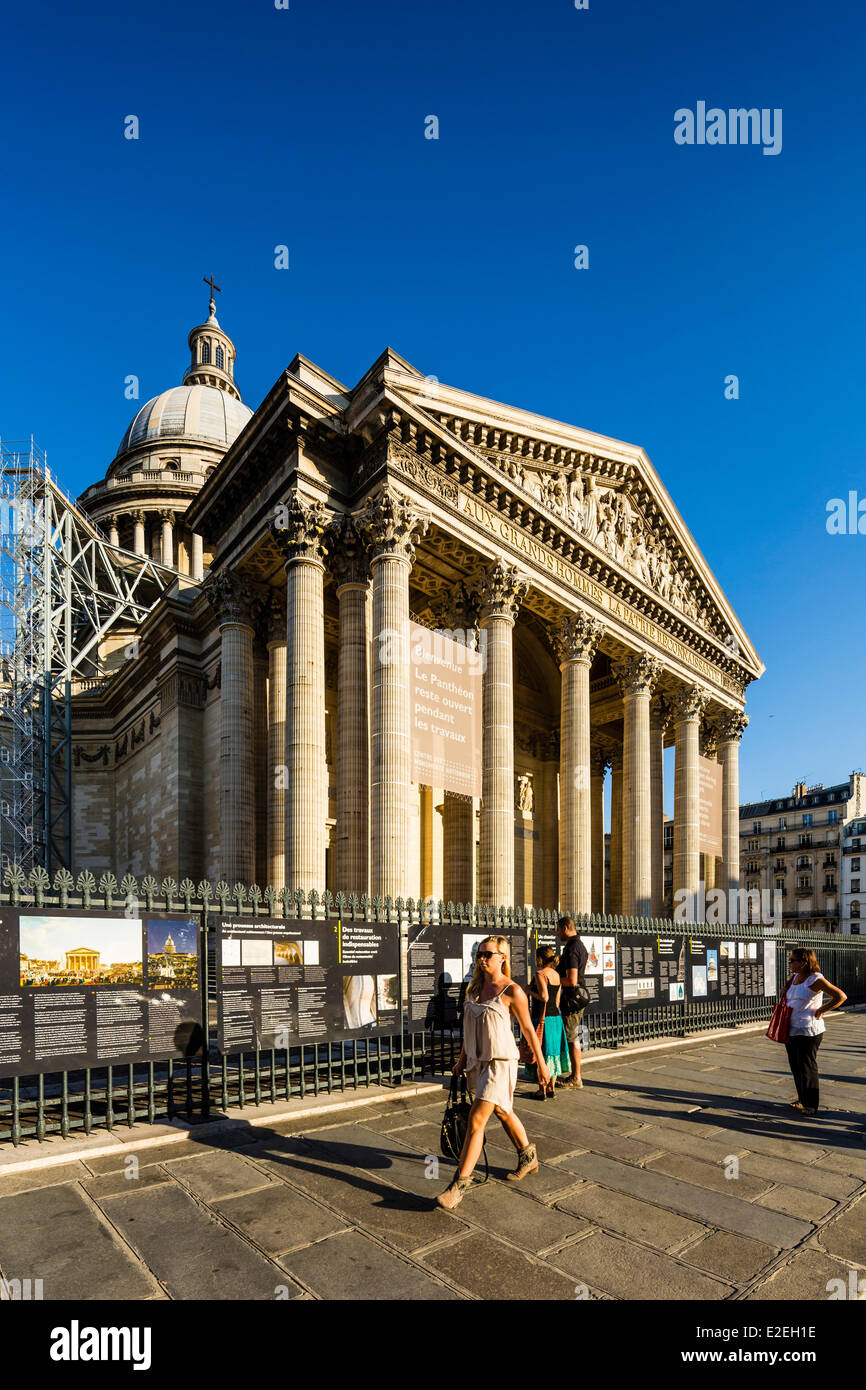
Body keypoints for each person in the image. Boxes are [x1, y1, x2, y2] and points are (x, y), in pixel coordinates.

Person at [436, 935, 550, 1210]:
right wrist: (462, 1060)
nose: (482, 958)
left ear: (503, 957)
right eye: (479, 954)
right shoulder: (474, 989)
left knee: (477, 1120)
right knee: (502, 1110)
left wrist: (542, 1065)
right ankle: (528, 1156)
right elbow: (469, 1031)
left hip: (500, 1063)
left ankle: (458, 1186)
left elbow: (527, 1030)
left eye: (488, 954)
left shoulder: (512, 991)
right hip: (479, 1062)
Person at [783, 948, 847, 1115]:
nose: (789, 963)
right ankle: (802, 1099)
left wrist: (822, 1009)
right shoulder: (795, 977)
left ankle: (811, 1105)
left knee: (807, 1067)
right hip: (791, 1029)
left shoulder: (816, 979)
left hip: (809, 1031)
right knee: (796, 1067)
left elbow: (840, 996)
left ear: (803, 962)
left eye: (792, 960)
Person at [525, 946, 570, 1098]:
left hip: (542, 1019)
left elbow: (544, 997)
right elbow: (556, 1001)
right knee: (553, 1053)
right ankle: (551, 1088)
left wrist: (529, 991)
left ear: (540, 958)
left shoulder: (540, 974)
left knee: (542, 1054)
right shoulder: (556, 975)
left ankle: (541, 1090)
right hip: (556, 1019)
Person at [556, 915, 588, 1088]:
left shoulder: (572, 948)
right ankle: (574, 1074)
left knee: (571, 1036)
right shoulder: (579, 945)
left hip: (571, 999)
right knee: (571, 1035)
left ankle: (576, 1077)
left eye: (558, 929)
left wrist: (552, 978)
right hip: (574, 998)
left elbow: (572, 980)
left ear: (565, 928)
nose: (557, 933)